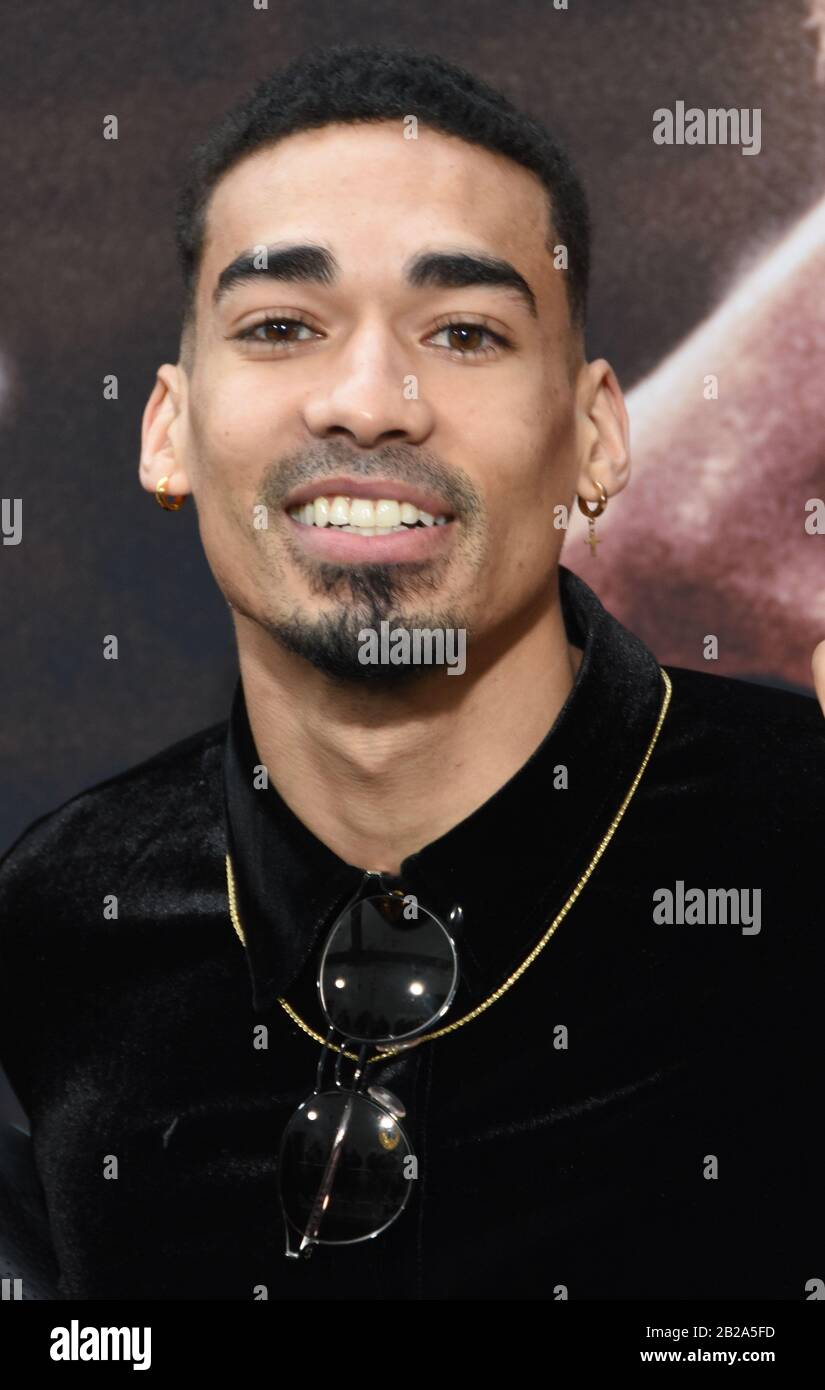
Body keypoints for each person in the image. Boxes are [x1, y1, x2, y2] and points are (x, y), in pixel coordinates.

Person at [0, 42, 822, 1301]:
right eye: (280, 325)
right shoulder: (49, 927)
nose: (369, 401)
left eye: (464, 331)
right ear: (168, 429)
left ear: (599, 434)